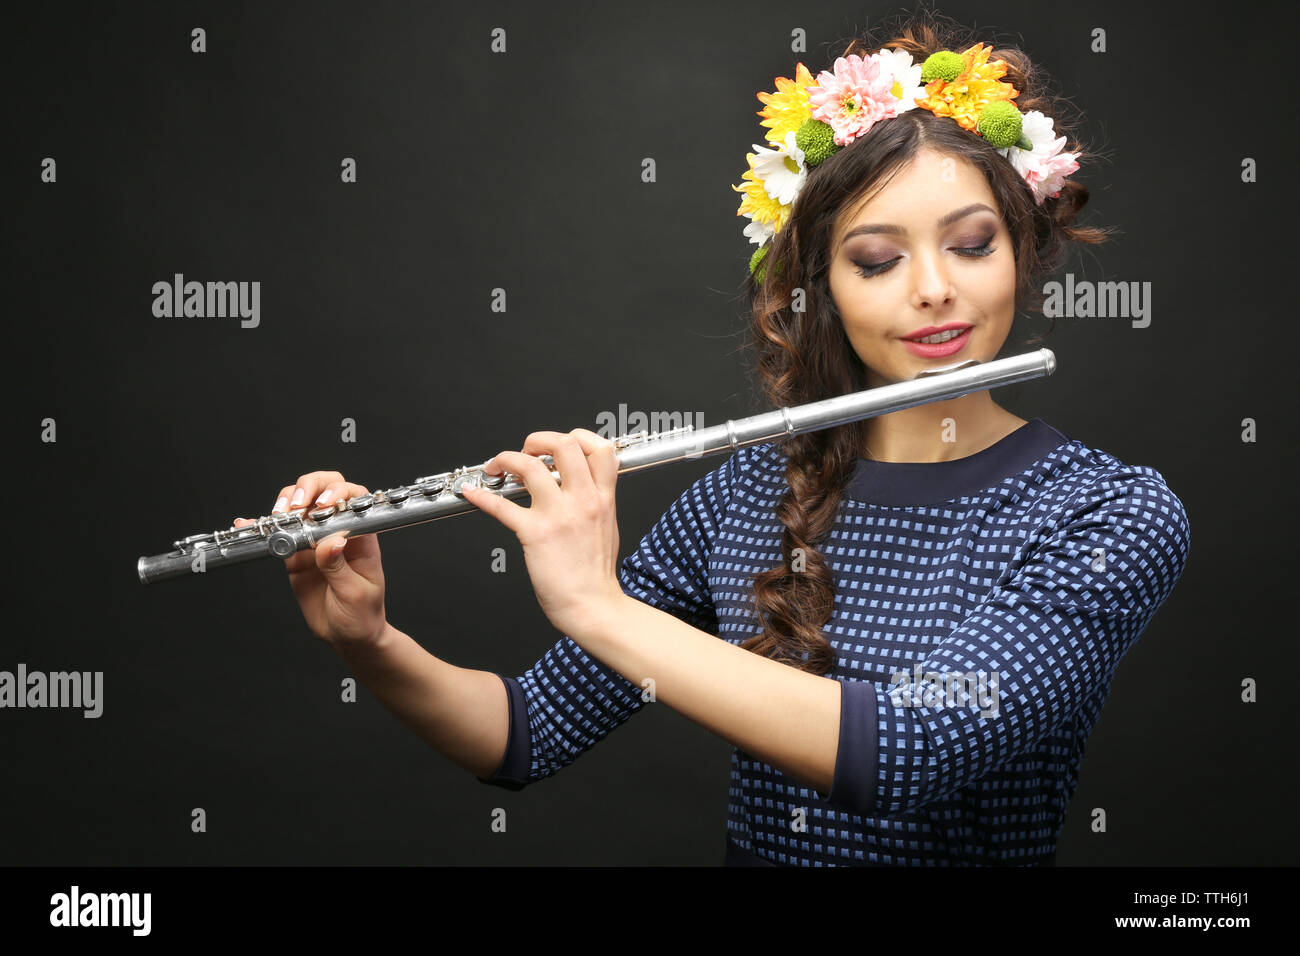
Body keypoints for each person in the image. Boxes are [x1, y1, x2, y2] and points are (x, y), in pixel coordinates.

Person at [235, 9, 1190, 865]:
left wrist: (598, 607)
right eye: (877, 259)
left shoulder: (1109, 513)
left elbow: (912, 752)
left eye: (971, 243)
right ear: (819, 287)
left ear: (1023, 248)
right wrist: (370, 643)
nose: (933, 288)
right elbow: (521, 737)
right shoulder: (745, 494)